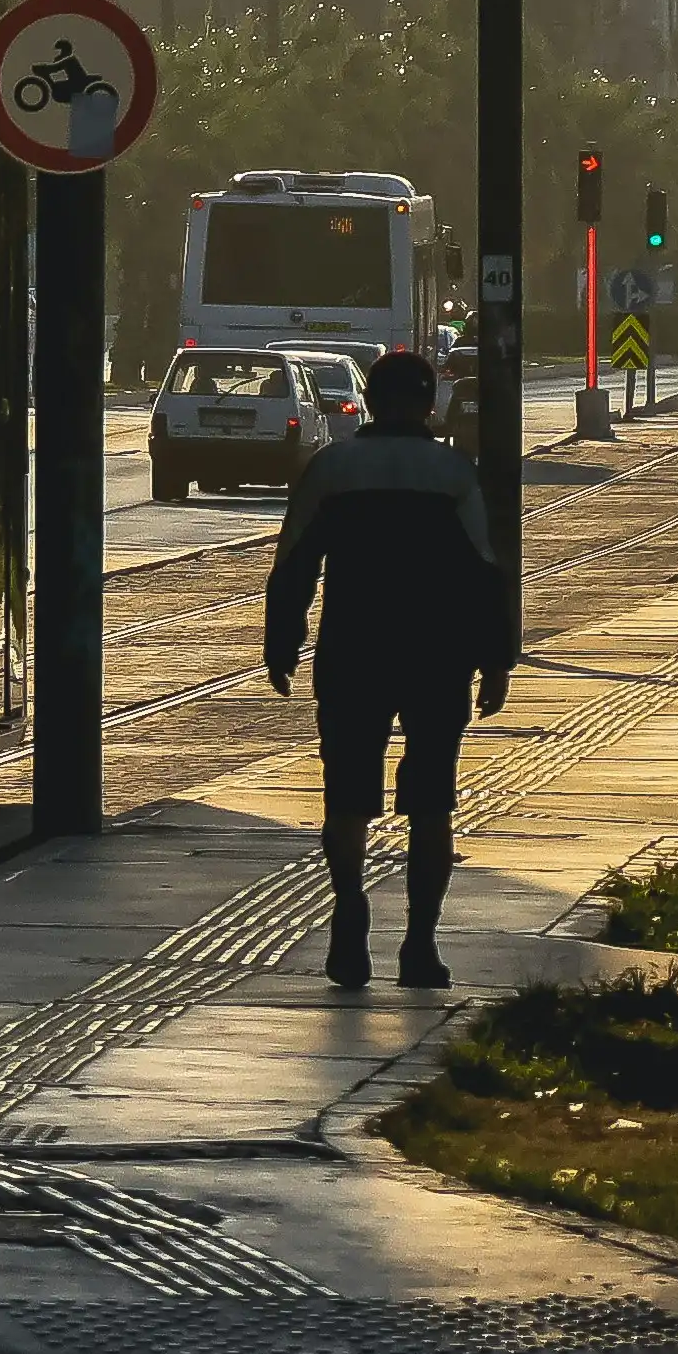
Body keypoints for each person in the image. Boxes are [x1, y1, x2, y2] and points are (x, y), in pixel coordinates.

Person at [261, 347, 513, 989]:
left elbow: (293, 565)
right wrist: (496, 660)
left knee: (346, 799)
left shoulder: (332, 468)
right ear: (430, 404)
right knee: (432, 803)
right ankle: (421, 947)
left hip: (353, 650)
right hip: (438, 655)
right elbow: (487, 574)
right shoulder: (457, 474)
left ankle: (350, 917)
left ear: (370, 402)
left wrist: (283, 642)